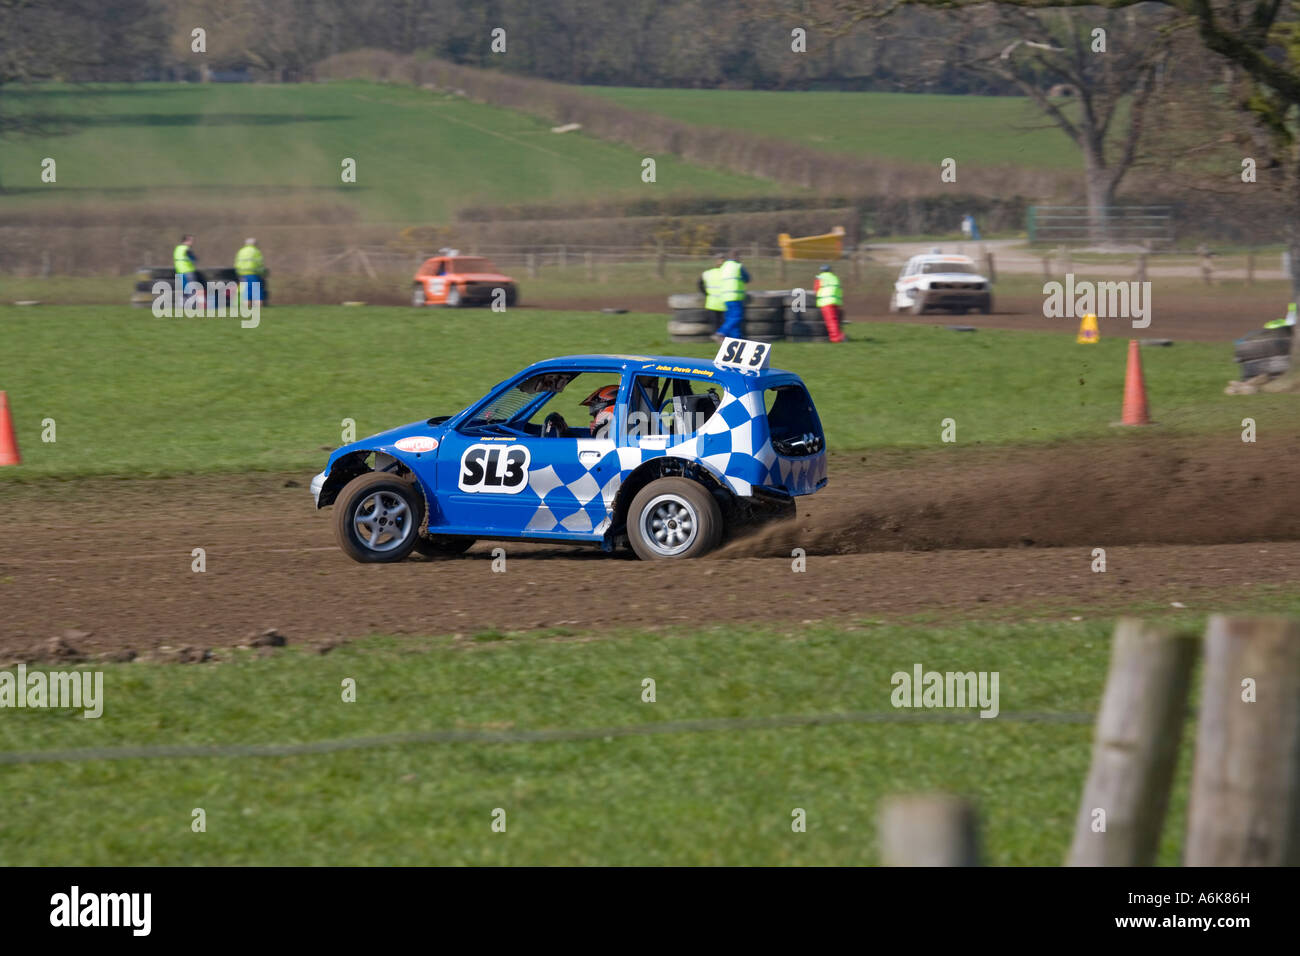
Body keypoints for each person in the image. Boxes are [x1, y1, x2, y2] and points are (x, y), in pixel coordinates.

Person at [716, 249, 750, 340]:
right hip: (735, 296)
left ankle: (736, 340)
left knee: (731, 319)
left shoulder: (723, 266)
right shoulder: (738, 266)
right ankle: (721, 332)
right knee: (736, 317)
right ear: (737, 257)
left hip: (725, 297)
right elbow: (747, 278)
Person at [813, 263, 846, 343]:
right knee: (835, 320)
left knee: (831, 321)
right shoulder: (835, 278)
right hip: (836, 301)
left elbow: (816, 289)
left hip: (826, 302)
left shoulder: (820, 278)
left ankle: (836, 338)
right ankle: (840, 336)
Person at [234, 237, 266, 305]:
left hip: (242, 273)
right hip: (253, 273)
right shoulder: (256, 251)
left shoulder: (241, 251)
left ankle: (247, 305)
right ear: (255, 244)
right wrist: (262, 273)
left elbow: (237, 263)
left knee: (247, 290)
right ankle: (259, 305)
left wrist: (238, 273)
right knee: (257, 289)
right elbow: (259, 264)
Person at [698, 255, 726, 331]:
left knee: (714, 326)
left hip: (711, 304)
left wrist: (705, 293)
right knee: (723, 326)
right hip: (724, 304)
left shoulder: (708, 273)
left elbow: (699, 283)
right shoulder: (728, 274)